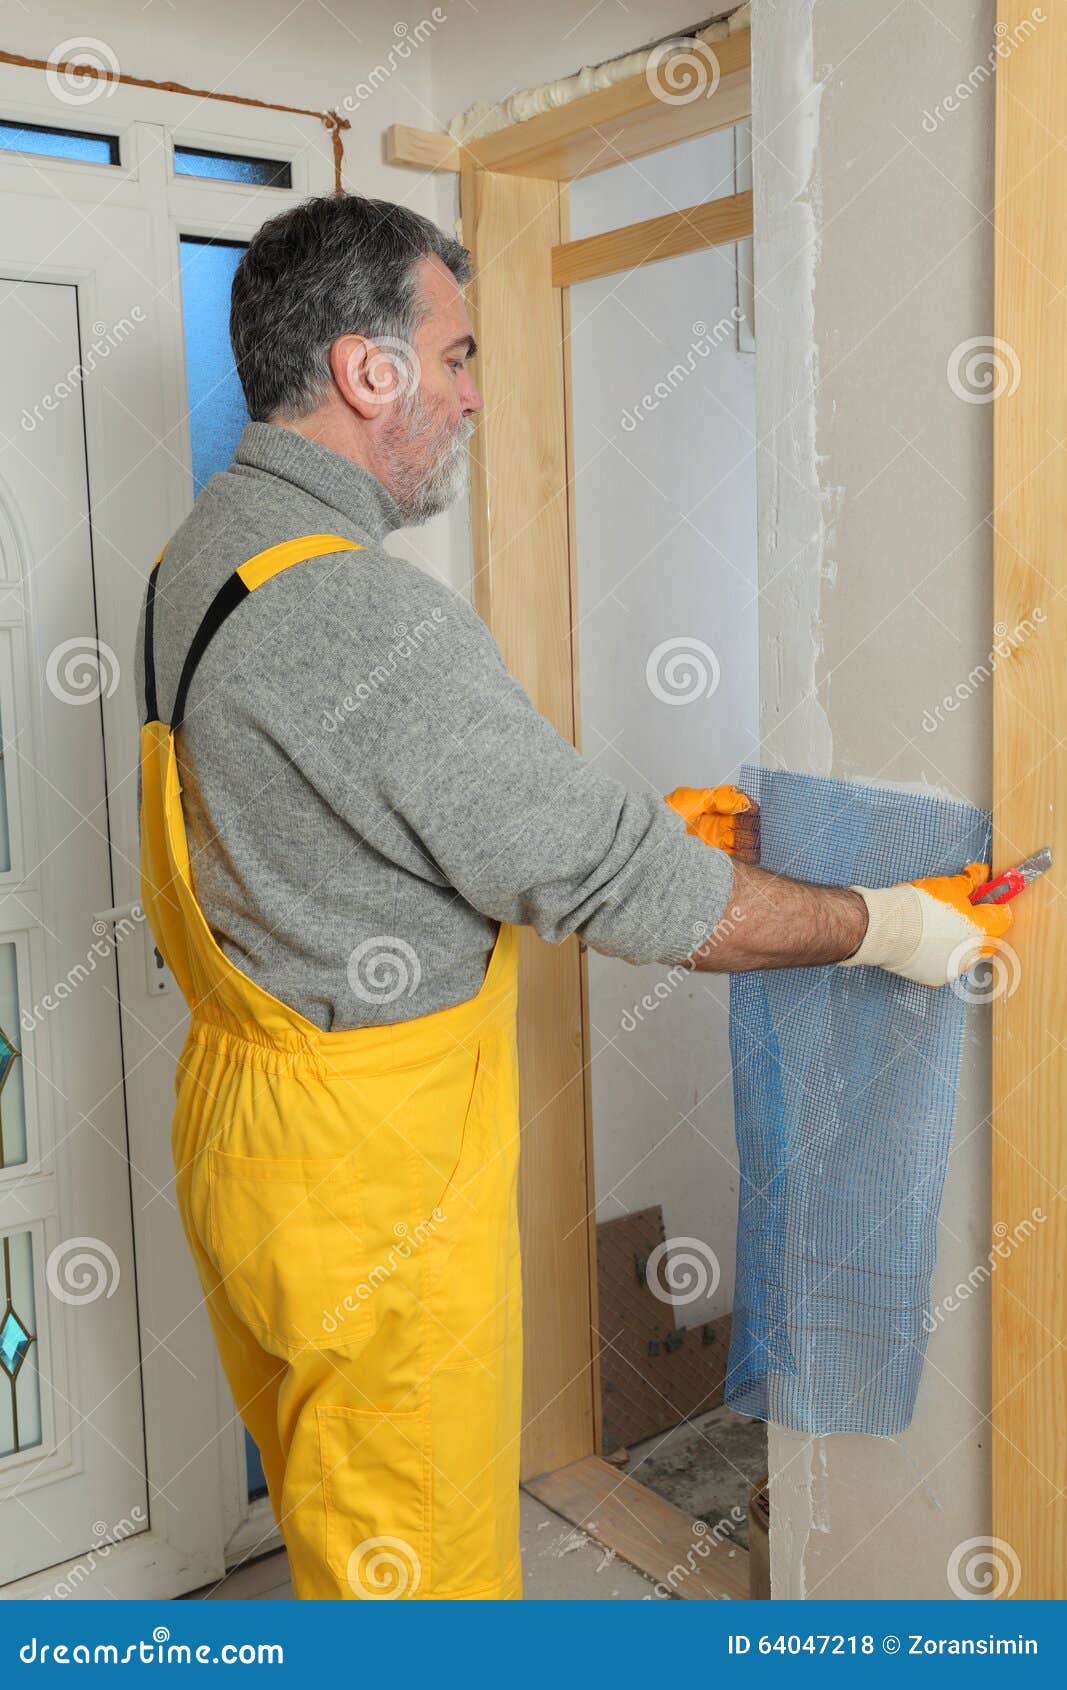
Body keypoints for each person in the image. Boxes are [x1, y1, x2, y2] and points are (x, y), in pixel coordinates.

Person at [135, 193, 1012, 1601]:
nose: (476, 396)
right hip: (374, 1185)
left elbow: (359, 816)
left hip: (249, 1136)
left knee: (342, 1523)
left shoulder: (204, 554)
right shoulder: (366, 612)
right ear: (368, 370)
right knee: (425, 1586)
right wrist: (893, 923)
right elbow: (636, 894)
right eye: (458, 356)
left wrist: (623, 831)